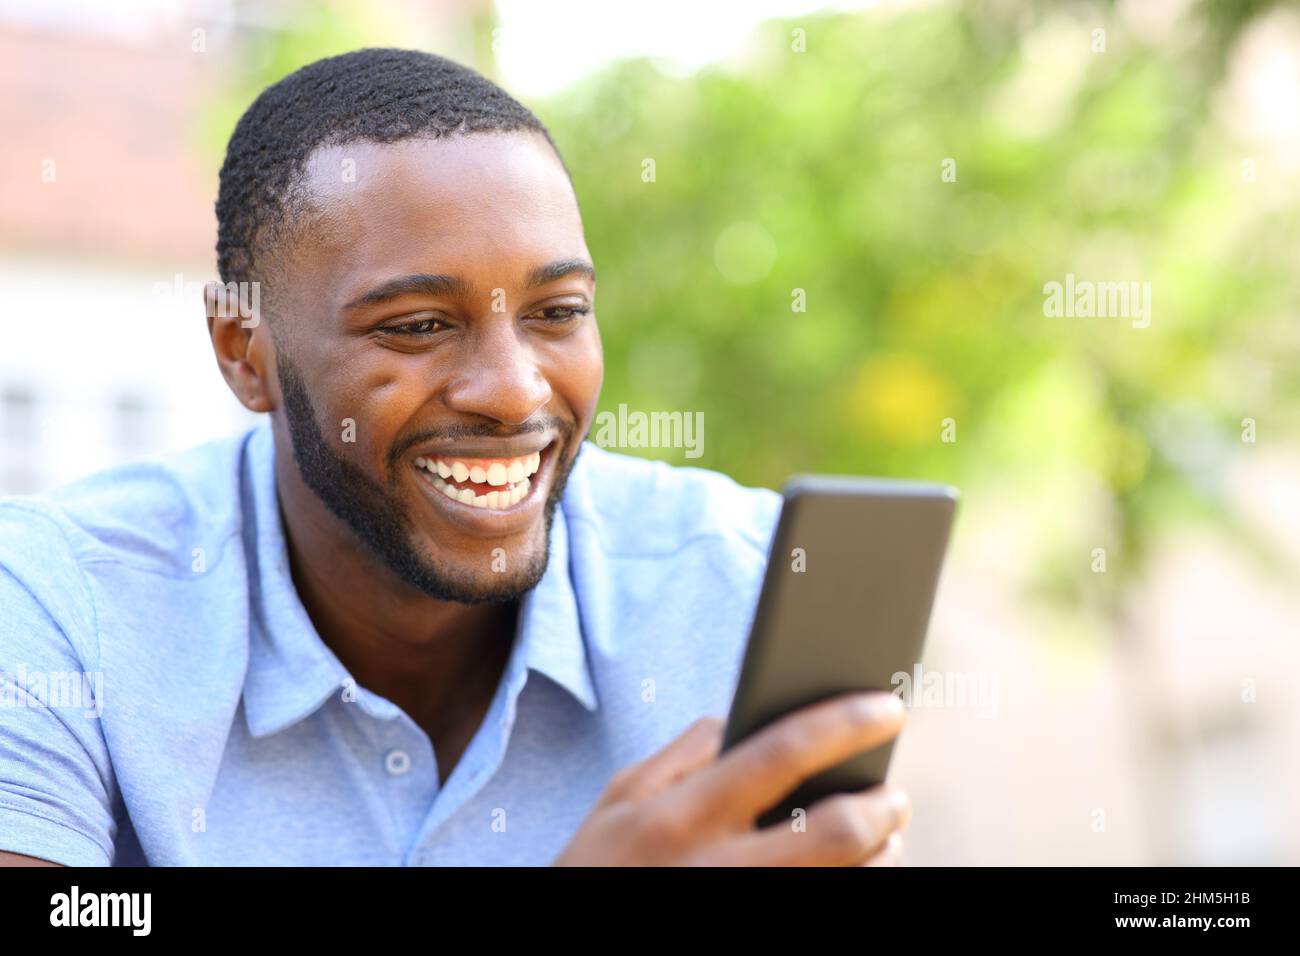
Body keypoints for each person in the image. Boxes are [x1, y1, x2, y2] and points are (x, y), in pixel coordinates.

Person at [0, 48, 909, 866]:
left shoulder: (750, 581)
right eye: (419, 326)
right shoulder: (58, 609)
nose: (513, 393)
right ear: (246, 352)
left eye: (557, 313)